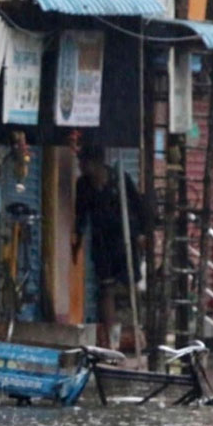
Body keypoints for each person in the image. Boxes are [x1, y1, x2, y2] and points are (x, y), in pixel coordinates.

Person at [71, 145, 146, 350]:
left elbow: (138, 206)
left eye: (84, 162)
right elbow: (80, 214)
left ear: (96, 162)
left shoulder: (119, 179)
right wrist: (76, 240)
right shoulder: (83, 185)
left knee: (128, 286)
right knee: (106, 289)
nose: (81, 166)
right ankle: (113, 341)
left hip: (124, 240)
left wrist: (141, 234)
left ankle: (134, 334)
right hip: (101, 242)